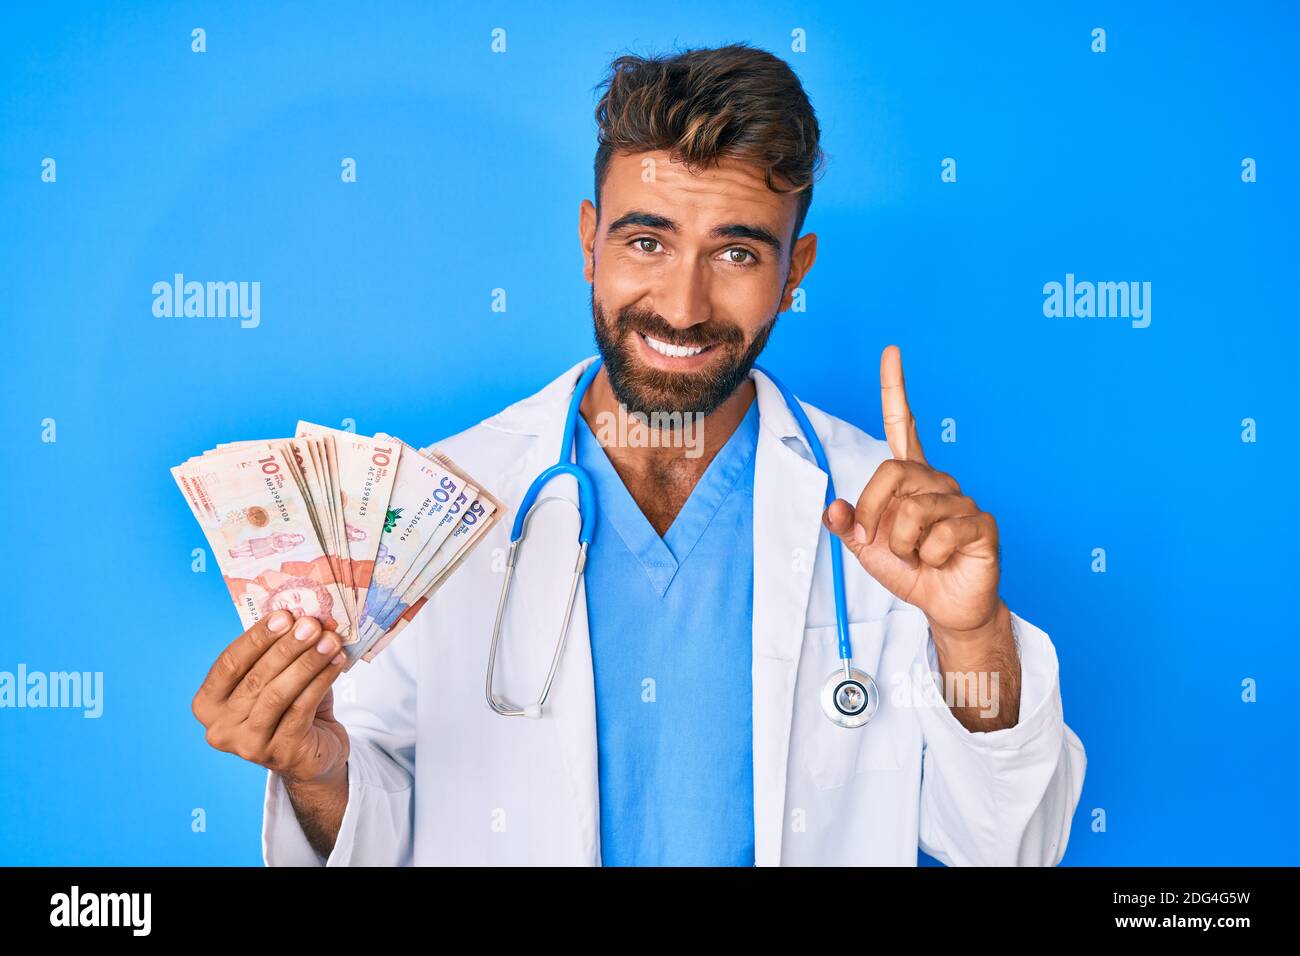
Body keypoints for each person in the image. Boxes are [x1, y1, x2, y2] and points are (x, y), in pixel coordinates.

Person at [190, 42, 1085, 866]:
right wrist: (314, 769)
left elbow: (1006, 847)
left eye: (736, 252)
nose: (684, 306)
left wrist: (971, 633)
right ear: (590, 241)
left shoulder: (881, 514)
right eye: (647, 241)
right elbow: (376, 827)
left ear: (795, 270)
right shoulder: (441, 505)